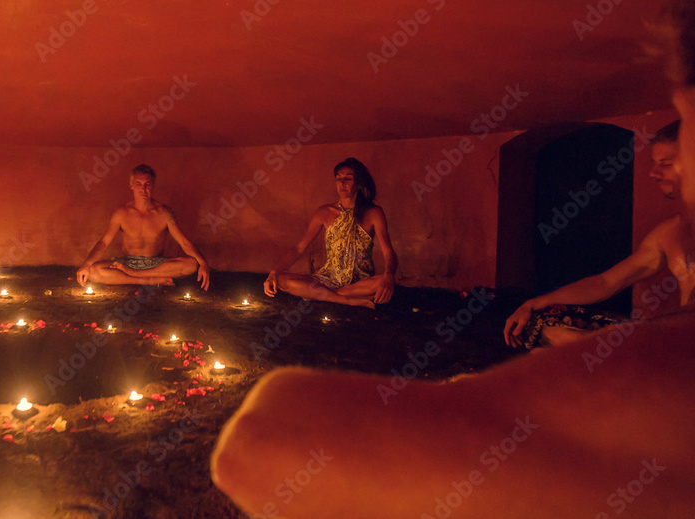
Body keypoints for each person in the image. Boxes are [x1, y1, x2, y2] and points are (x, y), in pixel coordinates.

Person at [210, 4, 695, 516]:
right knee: (301, 282)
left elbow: (257, 447)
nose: (672, 165)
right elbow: (606, 280)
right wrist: (536, 302)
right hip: (325, 281)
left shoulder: (371, 213)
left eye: (684, 127)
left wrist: (390, 279)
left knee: (366, 292)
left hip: (356, 283)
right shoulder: (323, 213)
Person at [504, 121, 690, 347]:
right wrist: (534, 303)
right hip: (673, 335)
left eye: (666, 163)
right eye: (654, 163)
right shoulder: (669, 232)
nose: (653, 172)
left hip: (683, 342)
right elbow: (605, 282)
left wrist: (647, 330)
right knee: (546, 326)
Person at [263, 157, 397, 307]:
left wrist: (389, 275)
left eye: (348, 178)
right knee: (280, 279)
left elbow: (388, 252)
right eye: (338, 178)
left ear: (359, 183)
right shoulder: (324, 212)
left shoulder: (374, 212)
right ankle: (343, 299)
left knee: (381, 283)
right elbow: (299, 248)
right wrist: (274, 272)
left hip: (359, 284)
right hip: (326, 279)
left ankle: (323, 295)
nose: (342, 183)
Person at [77, 164, 211, 289]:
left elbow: (183, 242)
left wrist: (203, 263)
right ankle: (147, 280)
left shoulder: (164, 212)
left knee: (192, 264)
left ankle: (137, 274)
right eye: (139, 184)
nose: (143, 189)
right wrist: (86, 264)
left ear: (153, 185)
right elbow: (104, 242)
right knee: (93, 271)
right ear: (131, 185)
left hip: (156, 264)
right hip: (127, 263)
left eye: (147, 184)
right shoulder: (122, 212)